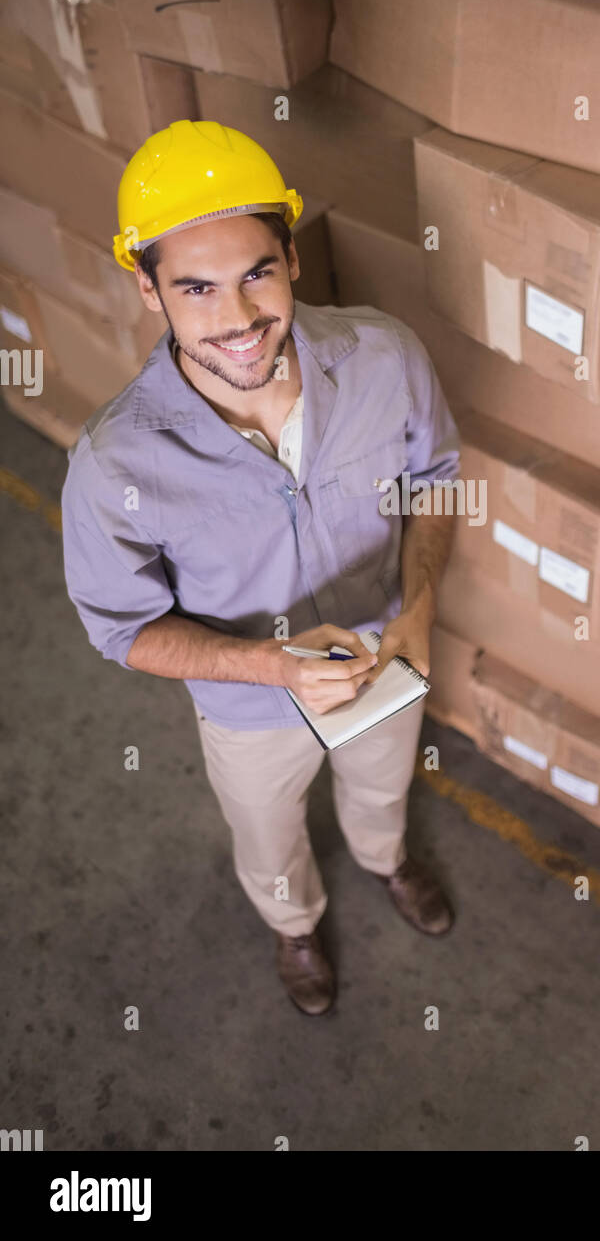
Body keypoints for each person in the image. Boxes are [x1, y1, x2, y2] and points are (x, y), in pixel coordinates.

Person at [61, 120, 461, 1016]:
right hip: (248, 707)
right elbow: (121, 629)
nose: (238, 320)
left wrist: (421, 604)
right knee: (268, 831)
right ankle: (295, 925)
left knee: (381, 785)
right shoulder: (117, 461)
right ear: (148, 289)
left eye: (257, 275)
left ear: (291, 256)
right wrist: (267, 667)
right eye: (195, 289)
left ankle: (386, 862)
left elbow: (436, 480)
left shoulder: (383, 359)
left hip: (385, 657)